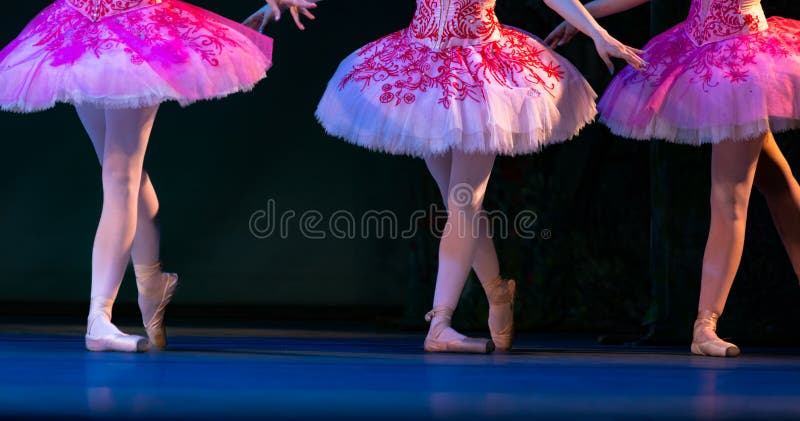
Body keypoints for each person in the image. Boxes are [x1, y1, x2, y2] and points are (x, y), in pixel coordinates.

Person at [316, 0, 645, 353]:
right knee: (458, 204)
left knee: (463, 201)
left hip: (479, 72)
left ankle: (440, 324)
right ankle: (498, 292)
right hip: (422, 68)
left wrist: (597, 32)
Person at [0, 0, 315, 352]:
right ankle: (150, 284)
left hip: (137, 26)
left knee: (121, 172)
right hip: (81, 24)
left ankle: (99, 316)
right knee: (121, 172)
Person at [547, 0, 800, 357]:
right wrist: (585, 16)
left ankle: (705, 326)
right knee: (778, 184)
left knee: (733, 194)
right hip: (704, 52)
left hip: (743, 62)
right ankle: (704, 327)